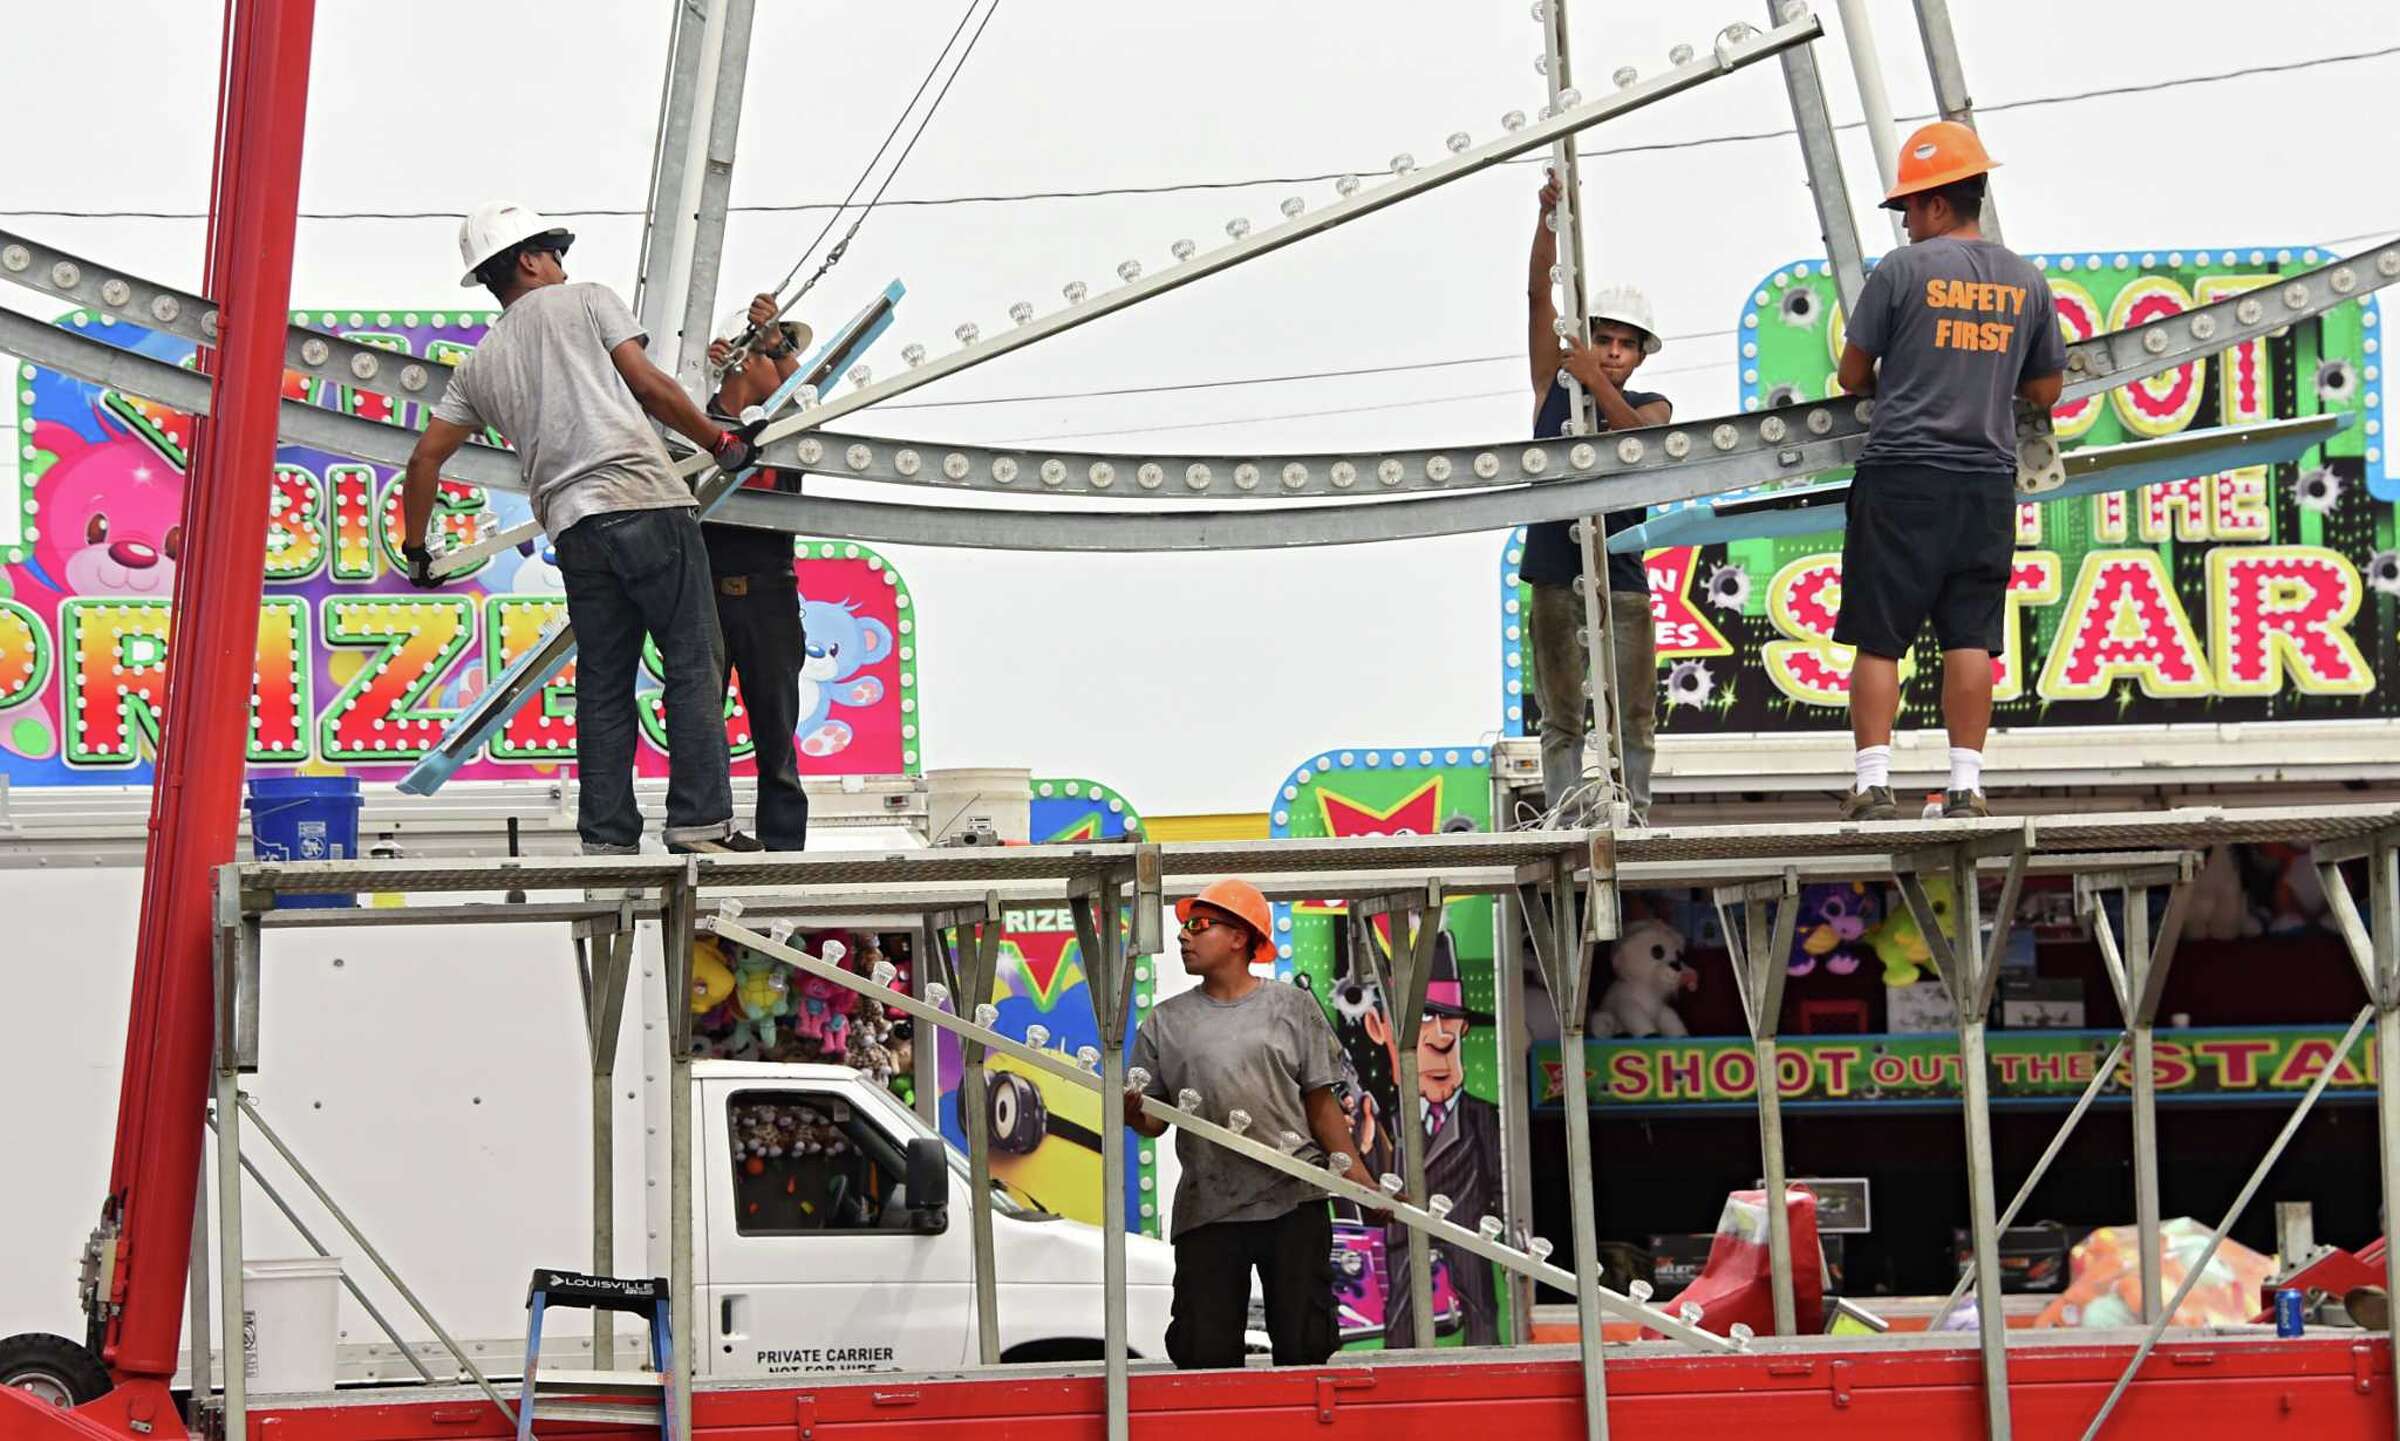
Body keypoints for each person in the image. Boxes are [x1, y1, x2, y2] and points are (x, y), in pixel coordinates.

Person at [402, 201, 762, 855]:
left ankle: (606, 834)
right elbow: (650, 387)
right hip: (644, 501)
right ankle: (701, 820)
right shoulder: (590, 300)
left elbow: (424, 459)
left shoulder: (479, 365)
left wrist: (417, 549)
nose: (563, 266)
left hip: (574, 529)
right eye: (555, 253)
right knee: (691, 660)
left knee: (603, 678)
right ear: (528, 259)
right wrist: (719, 442)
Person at [1832, 123, 2064, 821]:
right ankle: (1965, 784)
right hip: (1984, 484)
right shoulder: (2027, 280)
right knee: (1971, 635)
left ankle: (1874, 781)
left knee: (1879, 635)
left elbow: (1851, 376)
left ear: (1935, 203)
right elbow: (2047, 390)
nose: (1905, 224)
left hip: (1901, 474)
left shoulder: (1900, 273)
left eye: (1907, 209)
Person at [1123, 878, 1372, 1369]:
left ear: (1240, 937)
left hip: (1293, 1205)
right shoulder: (1165, 1022)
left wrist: (1361, 1181)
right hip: (1209, 1212)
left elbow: (1321, 1106)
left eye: (1199, 926)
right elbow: (1154, 1122)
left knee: (1306, 1349)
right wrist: (1136, 1114)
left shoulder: (1292, 1008)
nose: (1183, 938)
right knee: (1205, 1355)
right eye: (1183, 929)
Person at [1521, 171, 1673, 824]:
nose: (1611, 354)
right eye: (1603, 341)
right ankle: (1562, 810)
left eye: (1622, 345)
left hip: (1622, 573)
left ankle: (1632, 808)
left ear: (1639, 355)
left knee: (1632, 707)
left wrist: (1591, 379)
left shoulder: (1652, 404)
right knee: (1560, 709)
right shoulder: (1553, 384)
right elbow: (1536, 298)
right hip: (1555, 569)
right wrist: (1548, 222)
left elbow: (1638, 438)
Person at [702, 294, 812, 851]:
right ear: (742, 362)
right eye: (771, 357)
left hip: (769, 594)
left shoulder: (787, 431)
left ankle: (784, 843)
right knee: (702, 724)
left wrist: (773, 341)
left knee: (777, 726)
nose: (781, 366)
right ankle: (709, 829)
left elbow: (814, 394)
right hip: (708, 597)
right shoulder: (694, 425)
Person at [1367, 933, 1503, 1349]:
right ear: (1379, 1027)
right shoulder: (1383, 1118)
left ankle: (1487, 1385)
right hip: (1405, 1237)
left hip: (1467, 1234)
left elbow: (1500, 1181)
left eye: (1451, 1023)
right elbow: (1361, 1201)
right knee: (1402, 1321)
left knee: (1482, 1316)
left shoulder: (1483, 1116)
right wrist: (1370, 1146)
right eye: (1423, 1018)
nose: (1441, 1038)